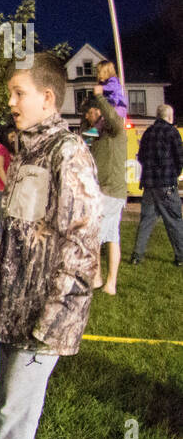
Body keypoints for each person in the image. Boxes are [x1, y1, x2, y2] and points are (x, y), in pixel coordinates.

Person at [0, 53, 100, 439]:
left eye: (19, 93)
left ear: (47, 98)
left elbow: (83, 241)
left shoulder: (67, 153)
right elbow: (13, 236)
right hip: (11, 306)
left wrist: (53, 318)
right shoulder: (26, 151)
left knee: (18, 401)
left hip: (43, 314)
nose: (10, 101)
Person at [84, 84, 128, 295]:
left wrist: (100, 97)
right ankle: (108, 282)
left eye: (91, 112)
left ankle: (99, 278)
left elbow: (112, 117)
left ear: (100, 112)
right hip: (108, 190)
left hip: (110, 190)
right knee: (111, 236)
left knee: (96, 234)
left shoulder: (115, 129)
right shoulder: (99, 134)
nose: (87, 115)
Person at [129, 103, 183, 267]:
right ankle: (180, 256)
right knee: (174, 220)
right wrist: (174, 173)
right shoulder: (172, 132)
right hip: (166, 184)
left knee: (146, 220)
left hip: (149, 185)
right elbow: (180, 157)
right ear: (169, 116)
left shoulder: (148, 132)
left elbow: (141, 157)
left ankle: (137, 256)